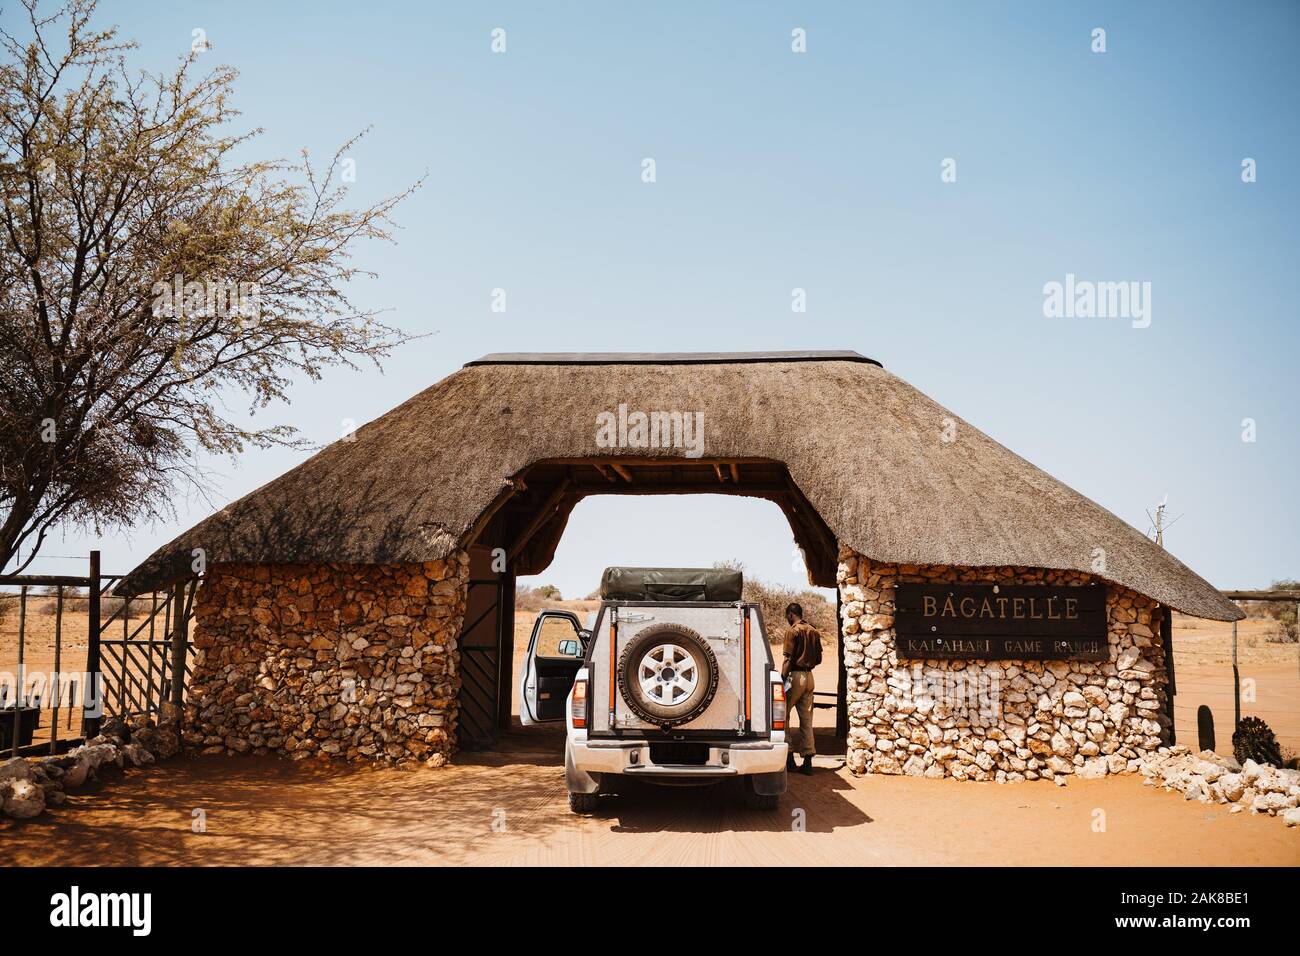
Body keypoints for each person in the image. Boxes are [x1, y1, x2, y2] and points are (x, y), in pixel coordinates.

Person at [781, 602, 823, 775]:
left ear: (791, 614)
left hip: (795, 677)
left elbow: (788, 659)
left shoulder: (793, 631)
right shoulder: (813, 631)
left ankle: (789, 758)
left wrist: (782, 679)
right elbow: (819, 659)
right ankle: (807, 762)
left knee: (782, 715)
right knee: (807, 720)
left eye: (787, 616)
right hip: (810, 677)